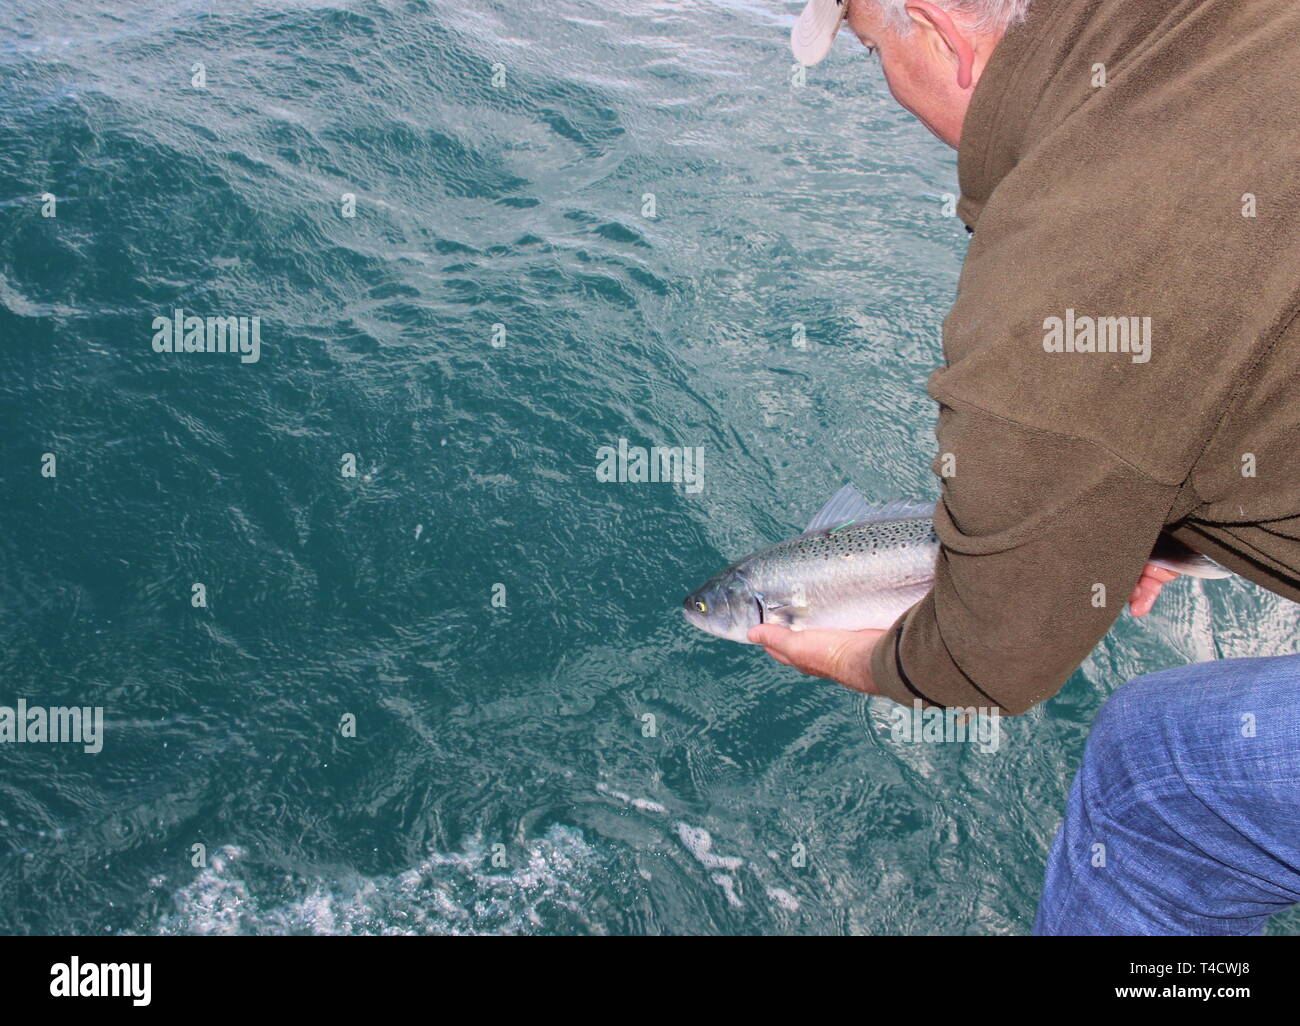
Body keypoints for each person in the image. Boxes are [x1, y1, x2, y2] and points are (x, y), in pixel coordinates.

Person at [762, 0, 1300, 934]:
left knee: (1150, 786)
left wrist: (859, 654)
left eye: (873, 48)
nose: (886, 84)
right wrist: (1153, 533)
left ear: (941, 33)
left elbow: (983, 660)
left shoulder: (1056, 287)